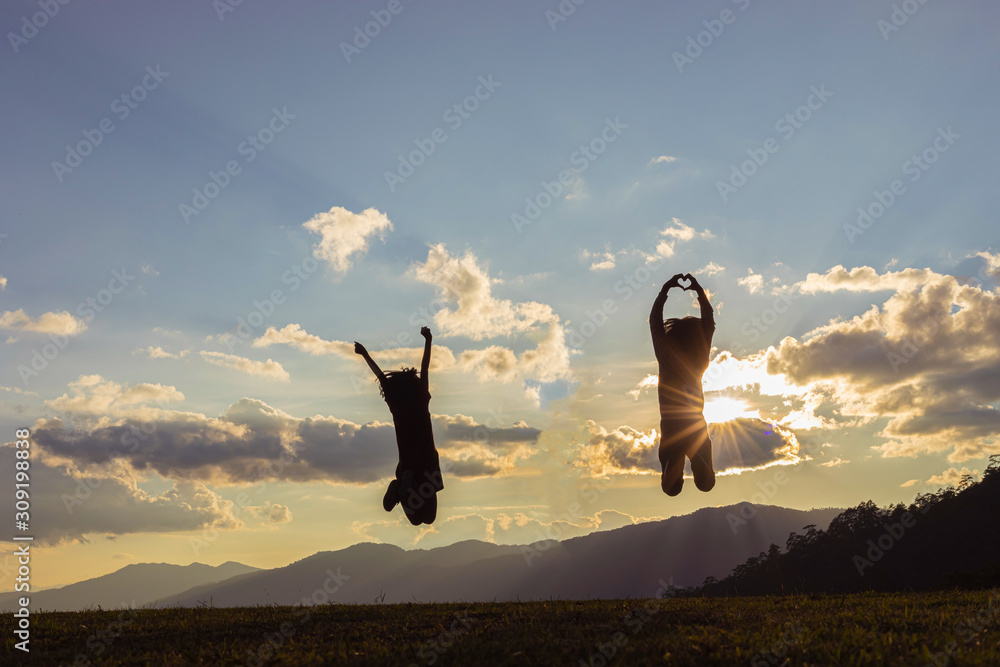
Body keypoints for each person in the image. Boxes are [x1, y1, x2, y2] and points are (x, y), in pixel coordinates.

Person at [355, 326, 443, 525]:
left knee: (418, 520)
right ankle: (401, 490)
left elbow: (381, 376)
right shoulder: (421, 396)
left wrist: (365, 354)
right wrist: (428, 340)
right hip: (427, 462)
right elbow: (425, 367)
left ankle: (401, 489)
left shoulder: (396, 403)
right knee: (428, 519)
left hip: (408, 468)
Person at [649, 273, 716, 496]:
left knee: (671, 490)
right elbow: (709, 322)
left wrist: (665, 290)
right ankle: (700, 461)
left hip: (671, 426)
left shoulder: (665, 354)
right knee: (706, 485)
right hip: (695, 424)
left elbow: (655, 323)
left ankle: (673, 464)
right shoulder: (700, 358)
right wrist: (698, 291)